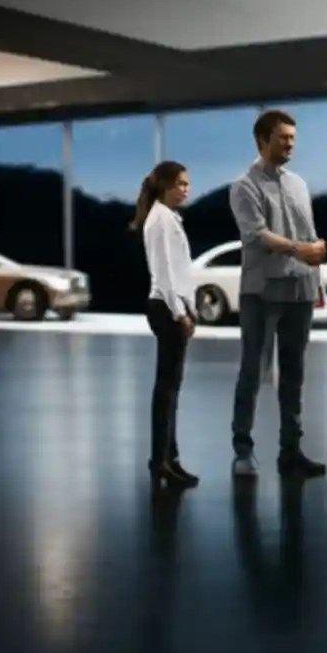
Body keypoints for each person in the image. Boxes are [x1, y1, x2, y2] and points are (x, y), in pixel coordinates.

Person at [228, 109, 327, 478]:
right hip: (262, 292)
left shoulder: (299, 184)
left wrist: (314, 275)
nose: (289, 144)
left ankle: (291, 451)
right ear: (262, 140)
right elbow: (255, 234)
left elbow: (309, 231)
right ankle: (243, 449)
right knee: (253, 370)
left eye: (292, 138)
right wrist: (299, 249)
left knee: (294, 373)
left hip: (300, 290)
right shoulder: (244, 186)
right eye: (283, 137)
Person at [133, 160, 200, 489]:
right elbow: (164, 274)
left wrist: (187, 307)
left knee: (171, 388)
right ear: (164, 186)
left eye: (188, 184)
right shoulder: (160, 220)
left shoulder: (167, 218)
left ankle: (168, 459)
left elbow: (178, 270)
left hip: (171, 307)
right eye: (180, 183)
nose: (186, 189)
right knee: (166, 389)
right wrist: (180, 312)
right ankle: (160, 460)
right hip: (165, 308)